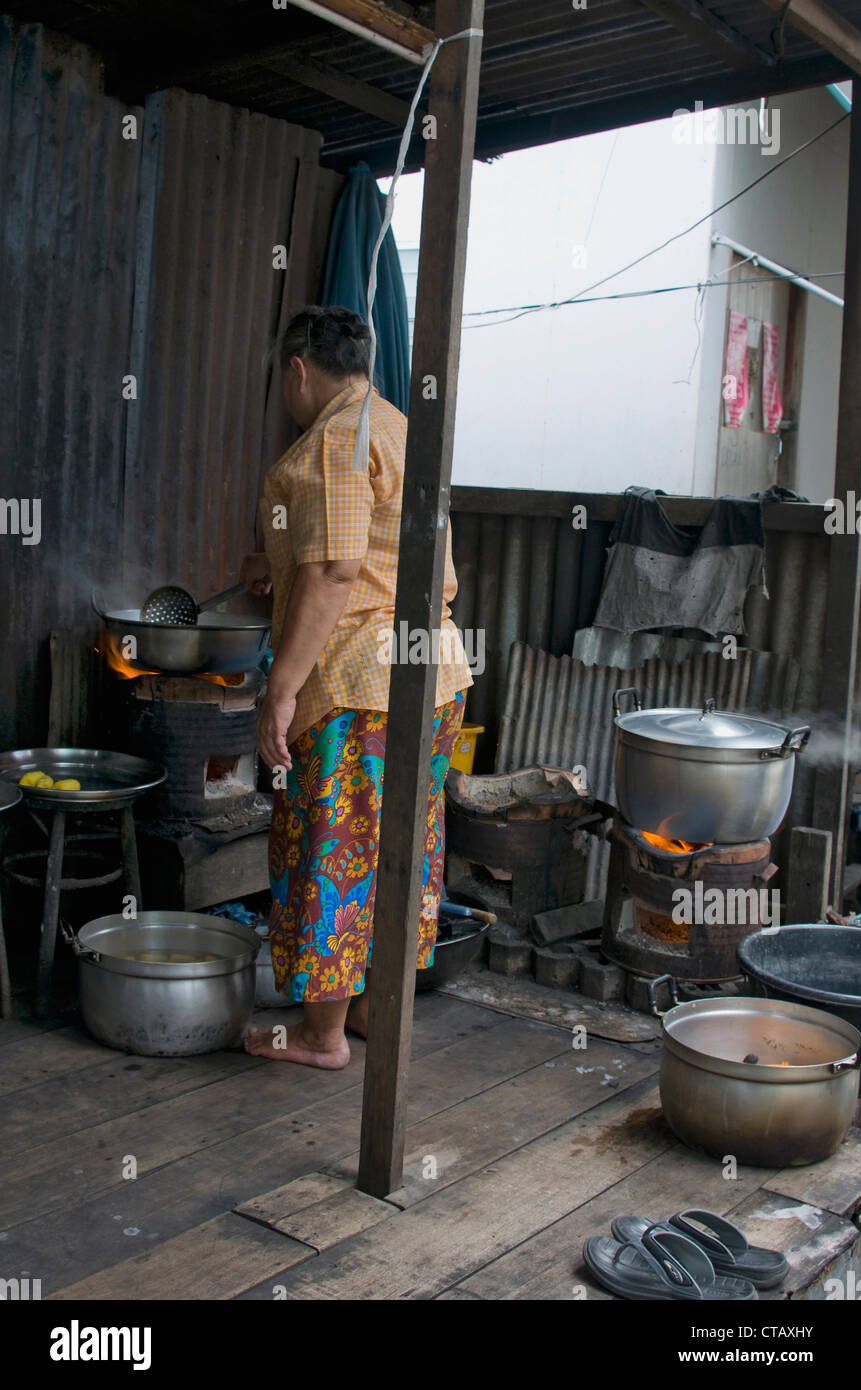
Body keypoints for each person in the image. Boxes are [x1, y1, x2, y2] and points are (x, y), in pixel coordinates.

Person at [241, 305, 472, 1070]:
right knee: (402, 845)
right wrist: (280, 565)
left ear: (298, 371)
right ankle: (375, 1008)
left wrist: (280, 688)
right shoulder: (401, 427)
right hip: (432, 672)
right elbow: (371, 550)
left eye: (283, 379)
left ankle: (321, 1033)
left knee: (331, 850)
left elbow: (336, 571)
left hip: (359, 684)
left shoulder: (334, 441)